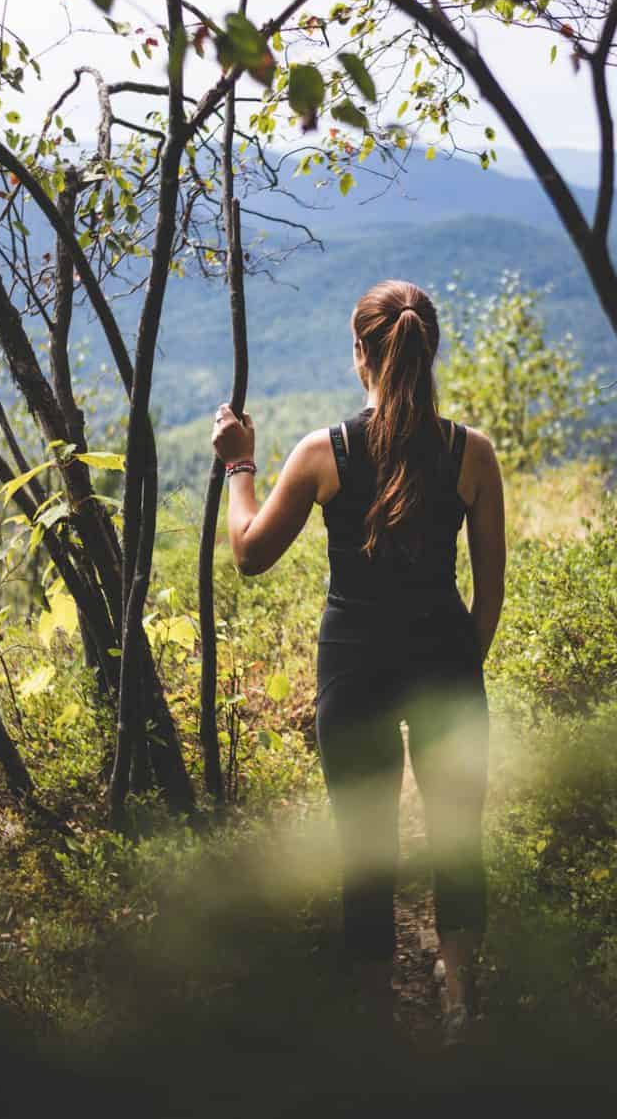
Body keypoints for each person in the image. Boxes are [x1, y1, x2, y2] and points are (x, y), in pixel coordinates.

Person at [211, 278, 506, 1040]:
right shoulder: (472, 453)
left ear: (360, 355)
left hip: (353, 666)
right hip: (444, 658)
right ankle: (459, 1002)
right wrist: (459, 665)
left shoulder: (325, 453)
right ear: (428, 350)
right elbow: (490, 591)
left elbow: (248, 554)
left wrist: (239, 464)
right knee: (457, 834)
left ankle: (377, 1019)